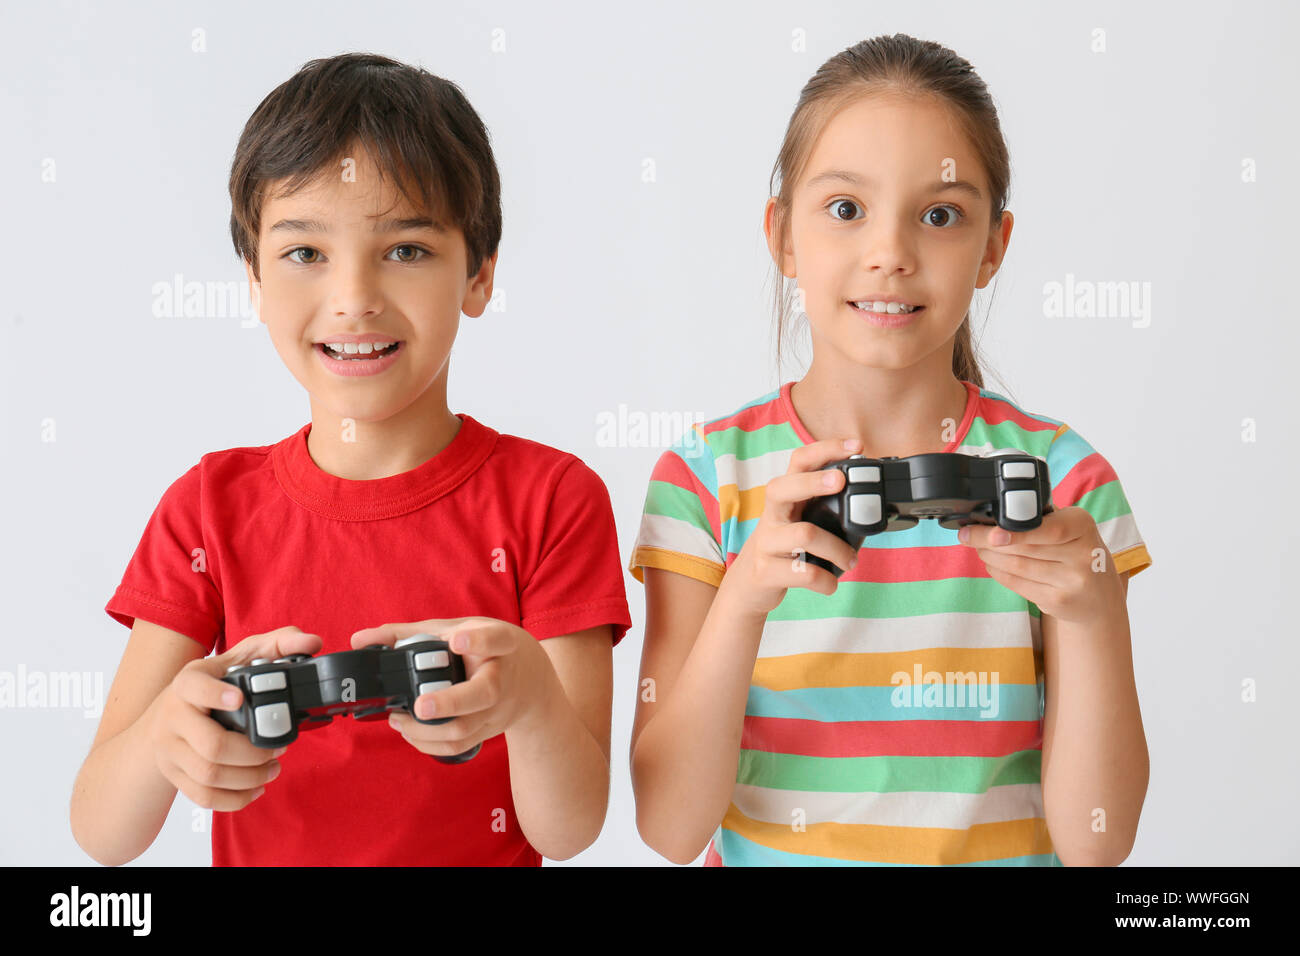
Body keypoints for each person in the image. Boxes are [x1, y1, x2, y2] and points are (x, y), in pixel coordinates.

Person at [70, 53, 631, 866]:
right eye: (305, 253)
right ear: (254, 281)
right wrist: (166, 739)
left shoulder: (553, 498)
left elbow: (569, 829)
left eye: (406, 249)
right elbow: (99, 831)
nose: (355, 296)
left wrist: (534, 702)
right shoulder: (207, 508)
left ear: (478, 275)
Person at [627, 34, 1152, 867]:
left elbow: (1099, 843)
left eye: (939, 215)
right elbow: (667, 826)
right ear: (783, 236)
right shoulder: (704, 481)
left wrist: (1090, 611)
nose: (891, 253)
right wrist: (743, 601)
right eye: (845, 209)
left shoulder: (1067, 482)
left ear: (992, 248)